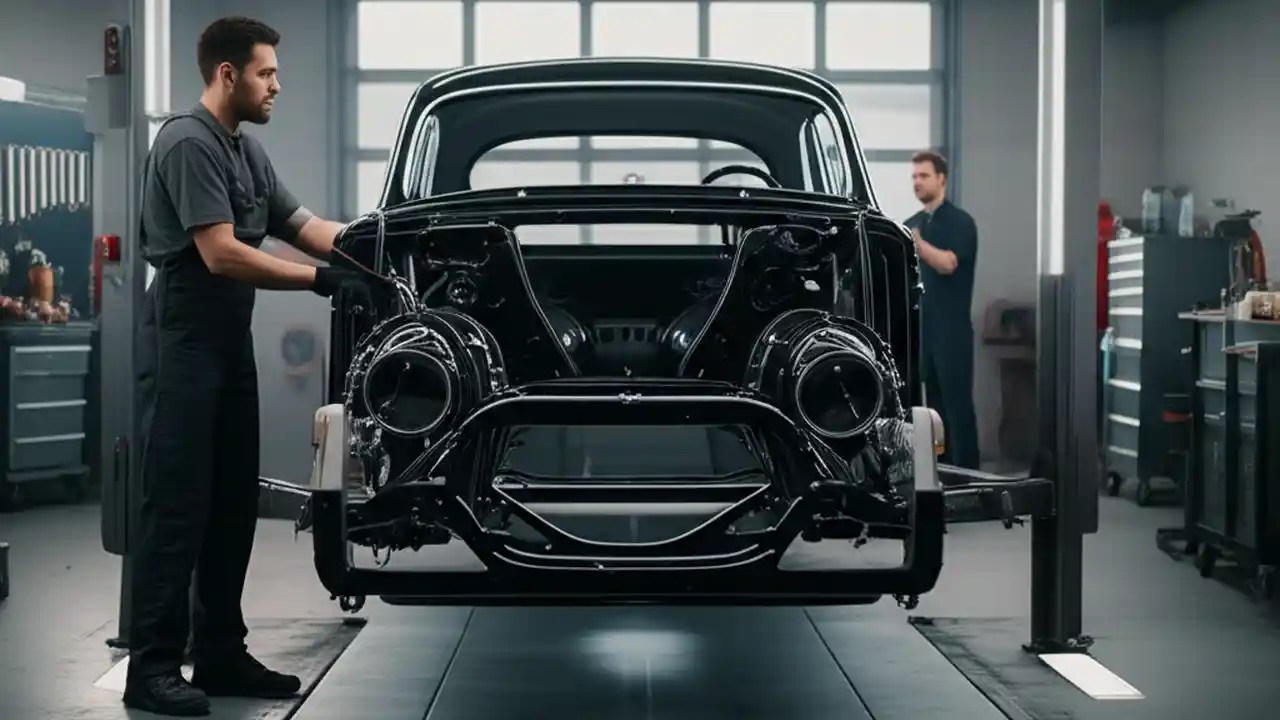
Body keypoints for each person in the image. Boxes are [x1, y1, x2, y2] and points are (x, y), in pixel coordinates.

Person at [125, 17, 373, 717]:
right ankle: (152, 667)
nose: (276, 86)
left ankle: (221, 653)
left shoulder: (247, 151)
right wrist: (320, 281)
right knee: (179, 504)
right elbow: (221, 253)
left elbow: (306, 228)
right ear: (227, 74)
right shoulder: (187, 142)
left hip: (227, 342)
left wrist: (378, 245)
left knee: (232, 501)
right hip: (183, 336)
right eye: (266, 73)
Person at [903, 150, 980, 469]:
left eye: (924, 176)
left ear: (941, 179)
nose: (917, 182)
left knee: (957, 407)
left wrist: (917, 244)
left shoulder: (960, 223)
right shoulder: (912, 224)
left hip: (952, 331)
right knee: (932, 410)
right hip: (924, 330)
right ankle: (943, 473)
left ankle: (968, 474)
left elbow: (948, 264)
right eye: (914, 177)